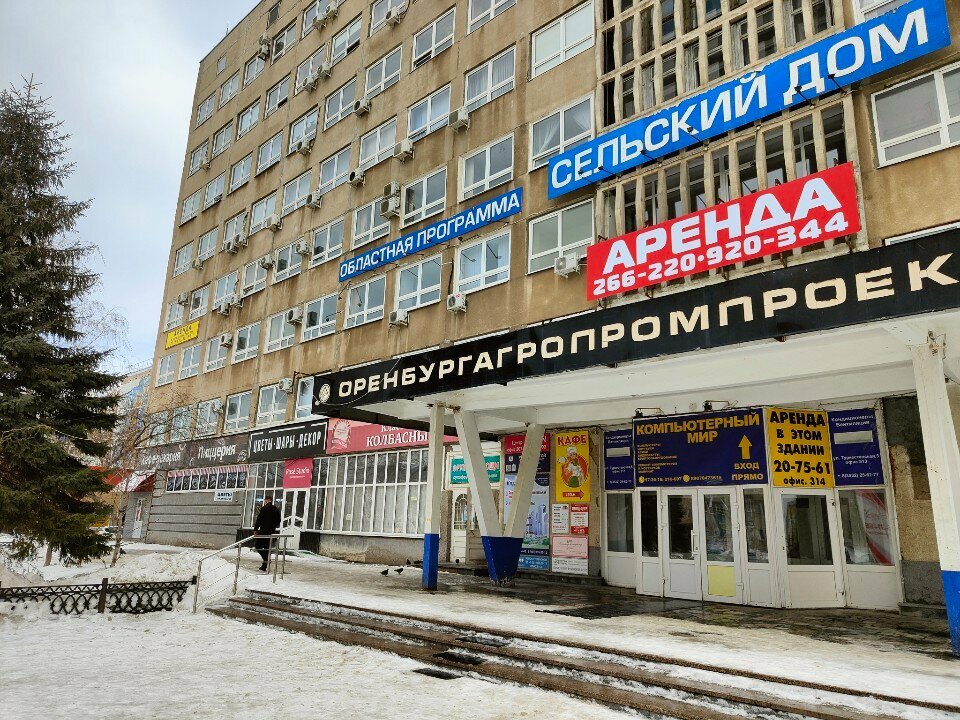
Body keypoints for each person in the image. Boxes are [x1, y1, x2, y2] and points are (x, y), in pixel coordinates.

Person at [252, 496, 281, 572]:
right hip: (271, 532)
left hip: (263, 532)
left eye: (265, 500)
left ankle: (266, 559)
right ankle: (264, 566)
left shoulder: (264, 508)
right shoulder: (275, 509)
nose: (264, 502)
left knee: (257, 546)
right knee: (267, 548)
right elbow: (278, 520)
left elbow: (259, 519)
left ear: (267, 500)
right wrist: (273, 526)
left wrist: (255, 529)